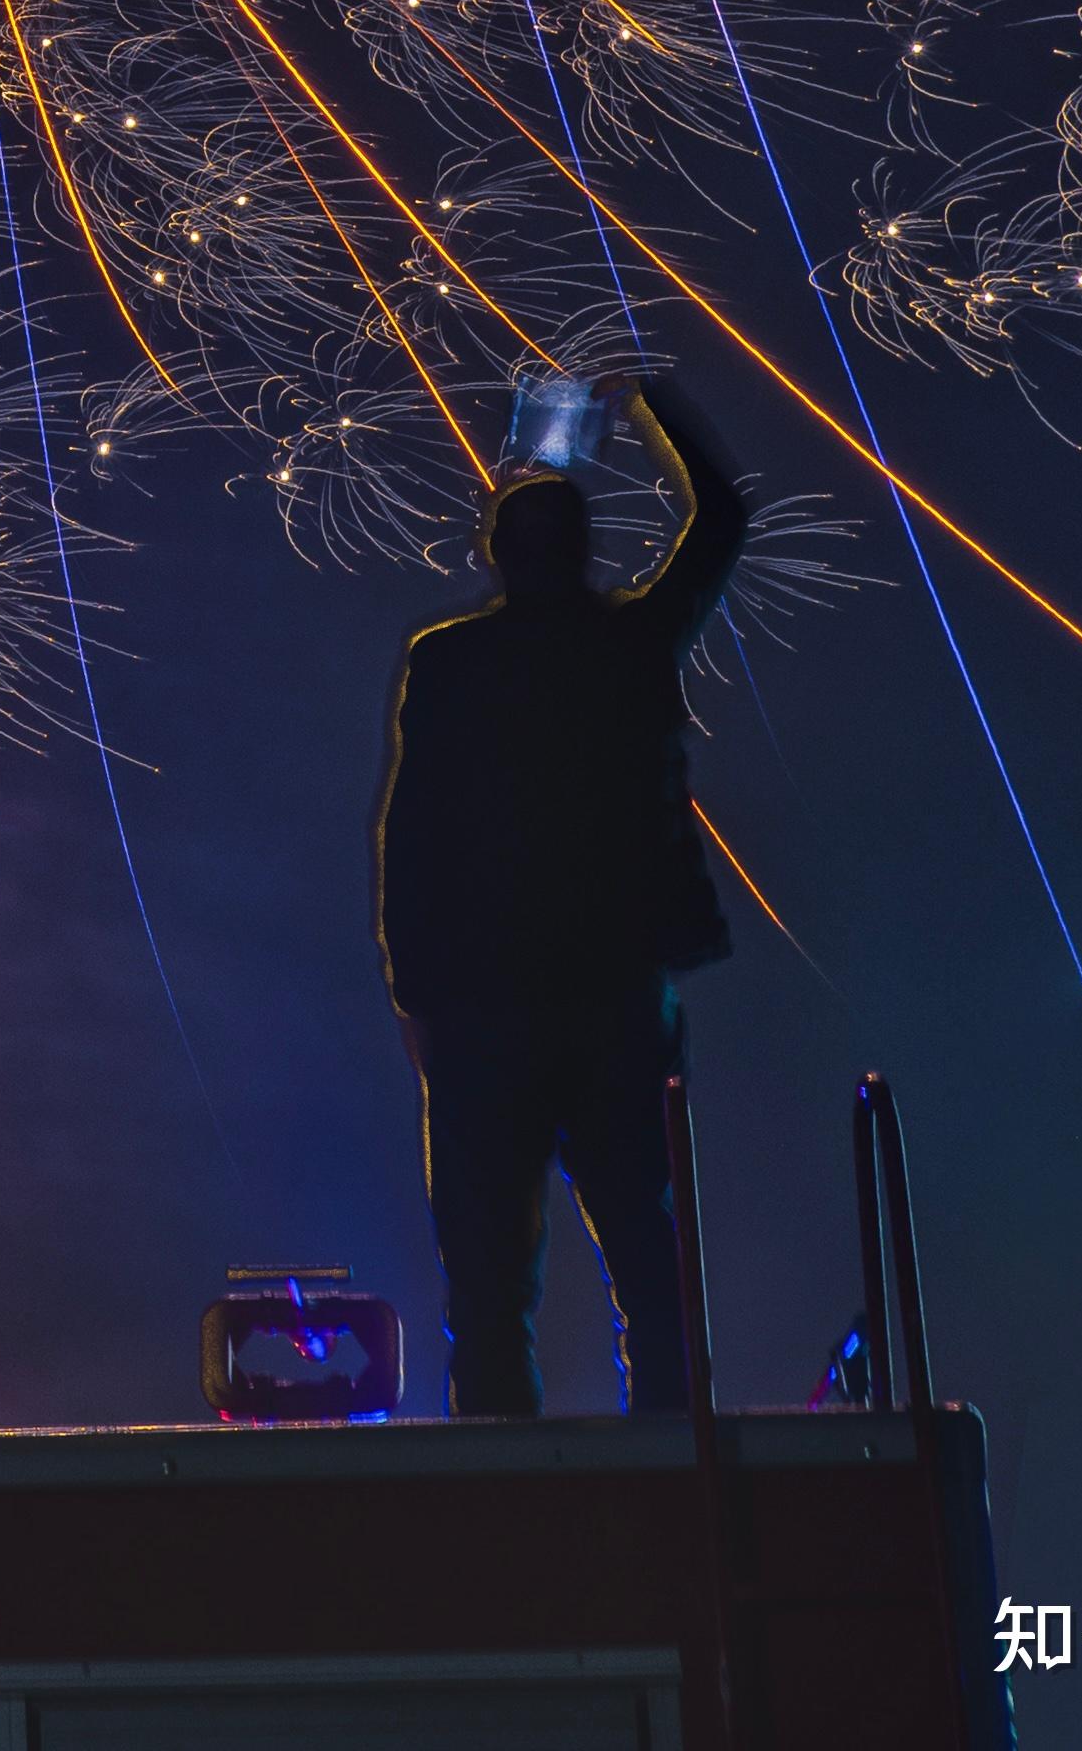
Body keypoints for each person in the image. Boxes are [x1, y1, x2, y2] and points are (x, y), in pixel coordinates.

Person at [374, 369, 748, 1417]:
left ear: (495, 553)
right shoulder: (630, 644)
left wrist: (414, 994)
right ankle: (676, 1455)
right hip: (616, 996)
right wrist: (648, 403)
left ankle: (500, 1481)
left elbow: (411, 832)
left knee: (488, 1281)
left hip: (483, 1009)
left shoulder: (449, 662)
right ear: (586, 549)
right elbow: (722, 519)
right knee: (647, 1256)